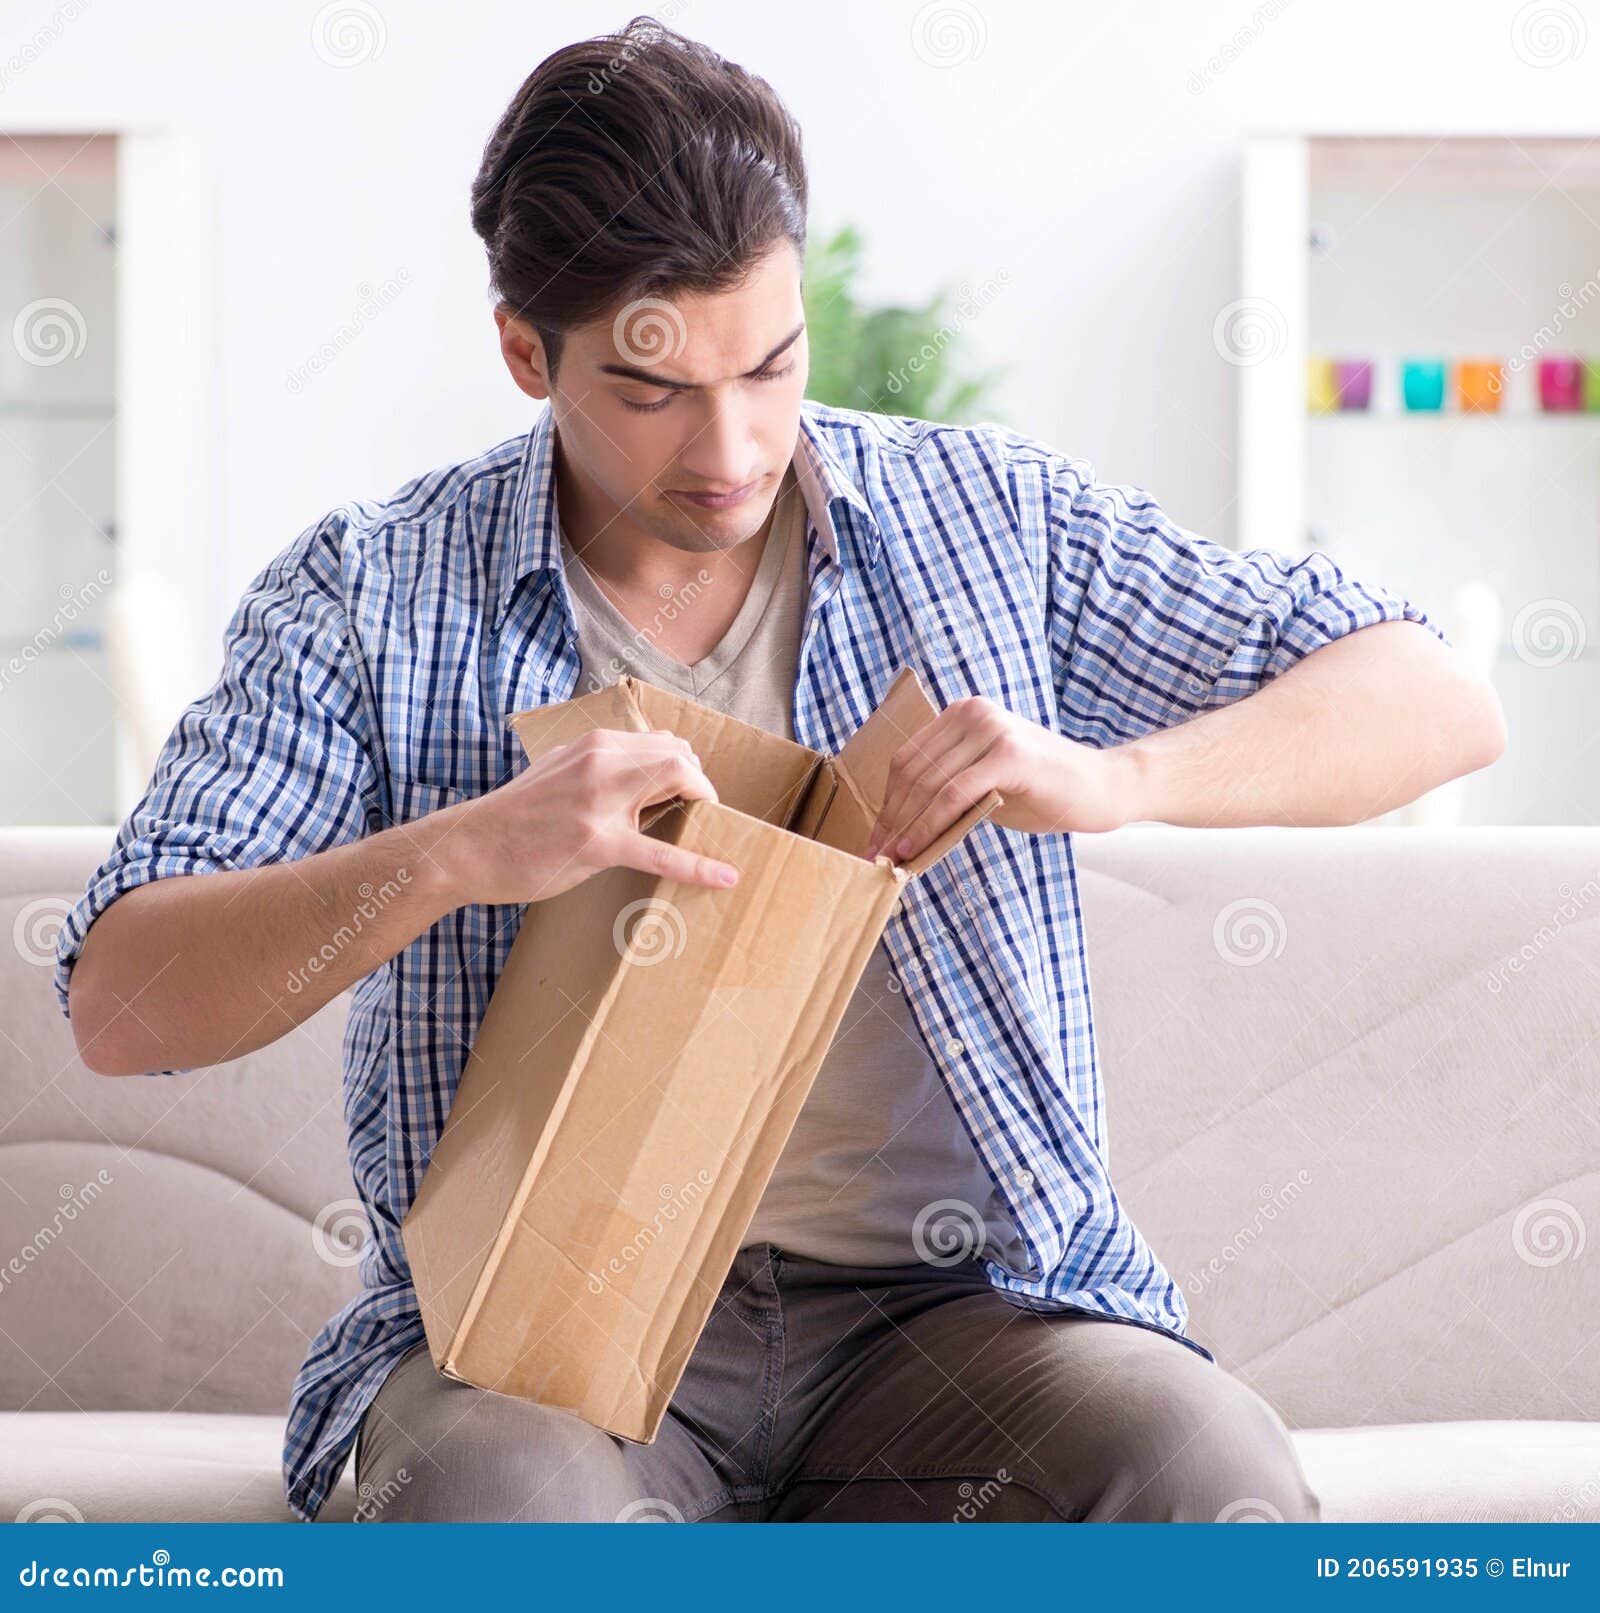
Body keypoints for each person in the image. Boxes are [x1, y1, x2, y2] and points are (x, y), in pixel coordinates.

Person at [54, 16, 1505, 1524]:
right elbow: (120, 1001)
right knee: (496, 1505)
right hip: (538, 1352)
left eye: (772, 364)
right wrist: (462, 851)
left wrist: (1118, 777)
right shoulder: (372, 592)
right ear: (522, 351)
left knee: (1203, 1469)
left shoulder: (982, 522)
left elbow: (1434, 695)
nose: (734, 448)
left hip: (956, 1317)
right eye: (650, 388)